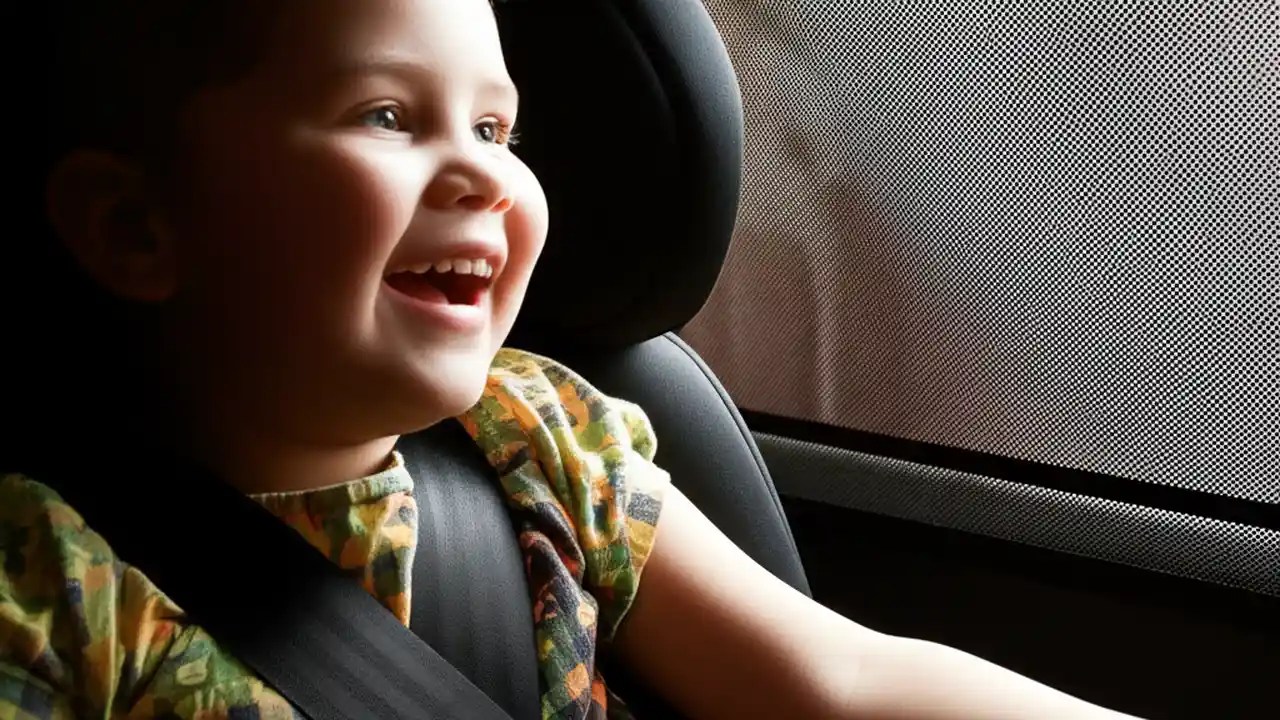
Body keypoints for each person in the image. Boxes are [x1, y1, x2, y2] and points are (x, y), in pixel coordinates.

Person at [0, 1, 1140, 718]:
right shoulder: (49, 587)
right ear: (135, 230)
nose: (485, 176)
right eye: (387, 115)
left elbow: (836, 684)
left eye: (496, 130)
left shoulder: (538, 440)